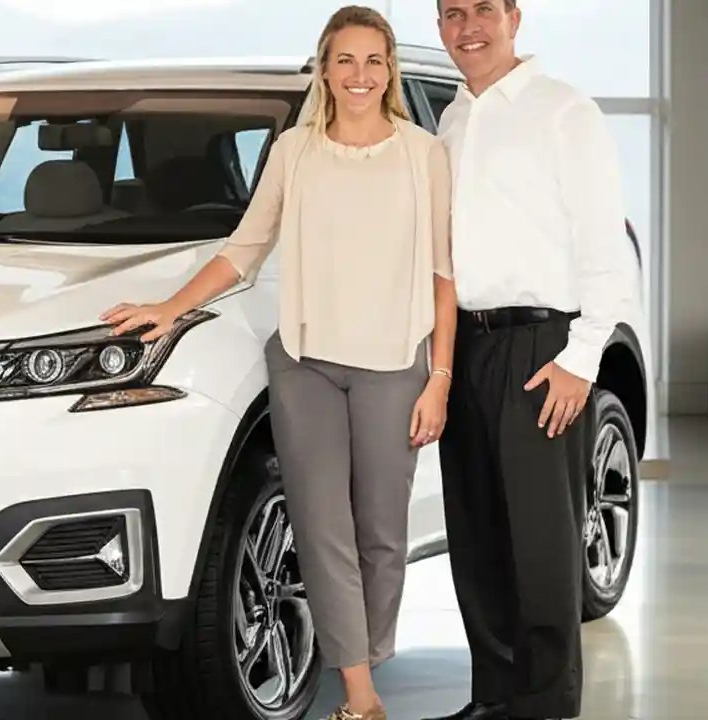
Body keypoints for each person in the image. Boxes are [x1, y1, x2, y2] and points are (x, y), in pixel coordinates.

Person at [101, 6, 457, 719]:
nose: (360, 75)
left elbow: (444, 275)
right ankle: (360, 692)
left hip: (394, 363)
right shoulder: (295, 151)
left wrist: (439, 378)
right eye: (346, 60)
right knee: (321, 524)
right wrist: (170, 307)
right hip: (306, 364)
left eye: (374, 61)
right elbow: (245, 246)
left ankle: (366, 650)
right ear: (324, 68)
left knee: (381, 533)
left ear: (388, 71)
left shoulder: (423, 154)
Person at [423, 2, 633, 720]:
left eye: (484, 8)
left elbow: (606, 245)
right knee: (477, 530)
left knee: (540, 539)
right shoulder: (450, 121)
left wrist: (580, 358)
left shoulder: (562, 110)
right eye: (452, 12)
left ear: (515, 16)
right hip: (468, 344)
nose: (468, 25)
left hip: (542, 346)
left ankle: (545, 705)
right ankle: (496, 694)